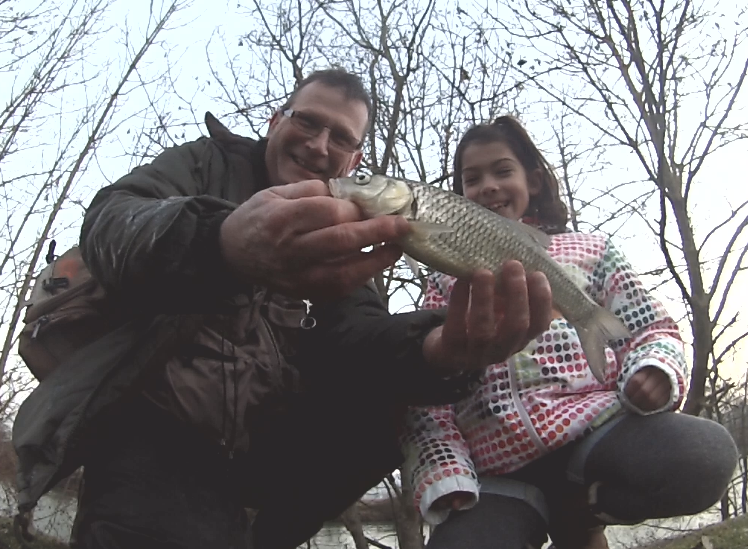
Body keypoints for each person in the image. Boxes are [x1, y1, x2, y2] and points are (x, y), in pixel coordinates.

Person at [12, 70, 555, 549]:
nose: (320, 146)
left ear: (356, 158)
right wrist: (219, 244)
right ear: (275, 121)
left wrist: (439, 351)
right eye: (307, 122)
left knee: (400, 400)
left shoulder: (347, 224)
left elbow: (360, 338)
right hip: (156, 426)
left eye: (341, 138)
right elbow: (111, 223)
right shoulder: (207, 162)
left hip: (275, 454)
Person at [400, 116, 739, 549]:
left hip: (594, 435)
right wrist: (445, 474)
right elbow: (426, 397)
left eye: (502, 171)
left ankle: (583, 512)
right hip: (495, 475)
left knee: (705, 455)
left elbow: (652, 326)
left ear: (534, 181)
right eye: (472, 178)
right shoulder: (443, 284)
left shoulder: (591, 251)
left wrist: (654, 369)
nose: (487, 186)